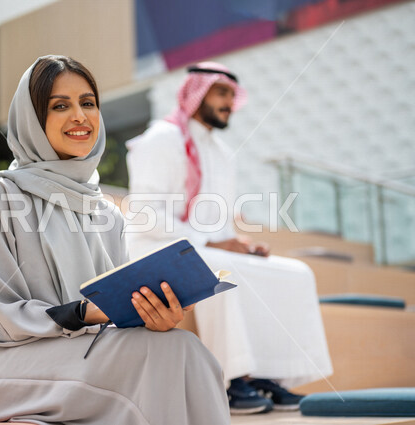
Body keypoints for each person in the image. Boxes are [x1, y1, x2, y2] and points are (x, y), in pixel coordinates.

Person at [0, 56, 230, 425]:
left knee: (183, 347)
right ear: (32, 120)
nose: (80, 116)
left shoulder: (106, 214)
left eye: (88, 103)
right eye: (60, 105)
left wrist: (151, 316)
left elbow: (114, 314)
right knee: (157, 362)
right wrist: (83, 312)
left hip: (76, 354)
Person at [126, 62, 333, 414]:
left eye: (231, 95)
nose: (228, 102)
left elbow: (216, 224)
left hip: (199, 247)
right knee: (219, 267)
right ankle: (231, 382)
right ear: (196, 93)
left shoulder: (222, 153)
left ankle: (269, 376)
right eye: (220, 93)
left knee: (296, 273)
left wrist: (242, 245)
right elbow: (144, 215)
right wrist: (211, 243)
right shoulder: (162, 138)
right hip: (153, 247)